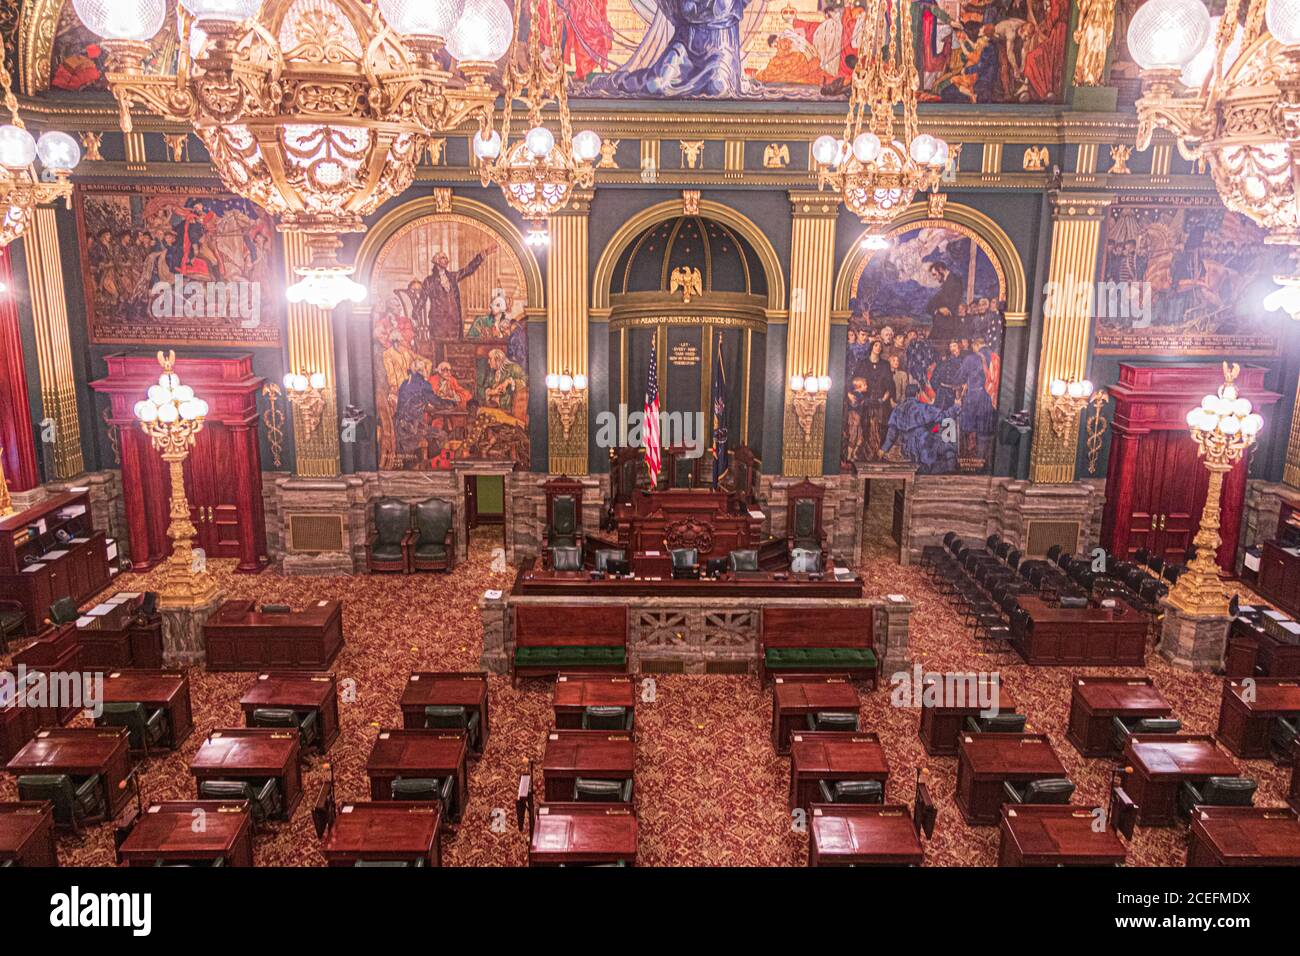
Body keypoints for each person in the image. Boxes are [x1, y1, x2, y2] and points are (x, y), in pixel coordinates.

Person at [880, 385, 958, 474]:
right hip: (923, 448)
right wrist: (956, 407)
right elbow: (943, 416)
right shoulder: (922, 408)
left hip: (907, 451)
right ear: (917, 394)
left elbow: (891, 434)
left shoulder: (897, 410)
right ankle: (951, 468)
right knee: (946, 439)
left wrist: (883, 449)